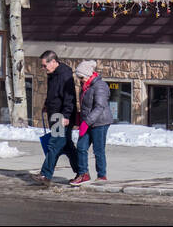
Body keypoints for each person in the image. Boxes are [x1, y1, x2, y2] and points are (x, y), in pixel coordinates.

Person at [33, 50, 78, 184]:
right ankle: (82, 172)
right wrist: (47, 104)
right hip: (55, 113)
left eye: (44, 65)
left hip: (61, 115)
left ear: (53, 62)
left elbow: (70, 98)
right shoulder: (52, 74)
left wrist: (66, 115)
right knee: (67, 146)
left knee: (53, 144)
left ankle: (45, 175)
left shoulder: (64, 75)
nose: (43, 68)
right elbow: (53, 93)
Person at [71, 60, 113, 186]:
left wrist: (86, 122)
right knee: (81, 147)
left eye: (81, 77)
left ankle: (102, 175)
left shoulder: (100, 86)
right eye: (79, 77)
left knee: (98, 149)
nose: (80, 80)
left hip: (100, 122)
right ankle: (84, 174)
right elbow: (86, 106)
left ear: (88, 75)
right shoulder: (86, 86)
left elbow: (99, 107)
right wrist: (81, 118)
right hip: (88, 122)